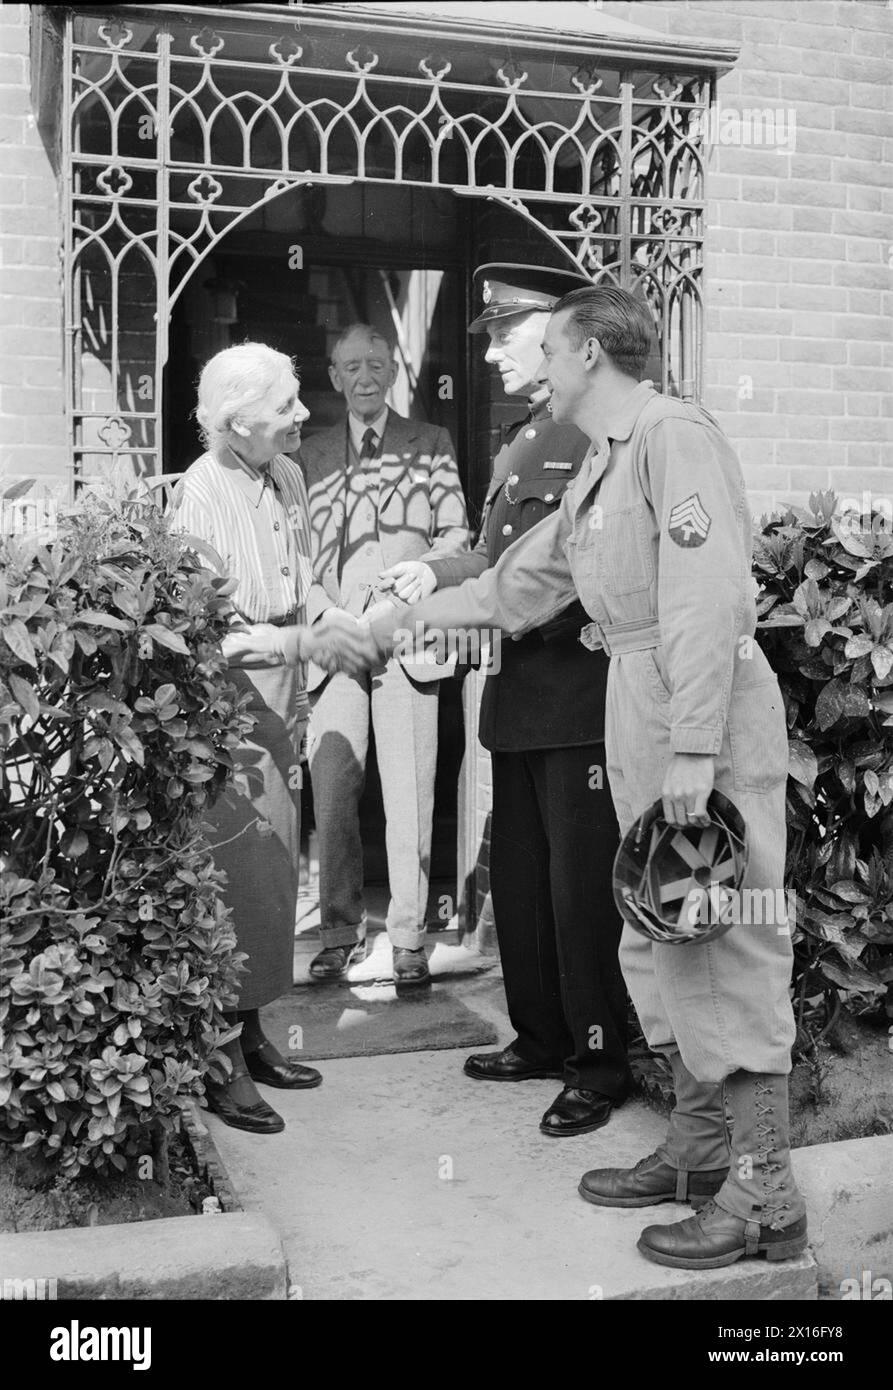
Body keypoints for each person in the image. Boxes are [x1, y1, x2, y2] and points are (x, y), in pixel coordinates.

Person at [313, 287, 809, 1270]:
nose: (537, 363)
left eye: (548, 347)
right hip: (637, 701)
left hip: (692, 706)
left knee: (728, 939)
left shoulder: (672, 438)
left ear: (588, 352)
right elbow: (518, 584)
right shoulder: (603, 462)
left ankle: (766, 1196)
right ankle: (699, 1148)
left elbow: (708, 597)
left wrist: (691, 746)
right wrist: (389, 623)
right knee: (663, 934)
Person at [378, 265, 631, 1137]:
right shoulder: (522, 438)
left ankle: (597, 1065)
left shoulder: (595, 435)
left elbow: (581, 568)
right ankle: (540, 1037)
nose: (488, 354)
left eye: (503, 336)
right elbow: (498, 556)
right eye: (485, 337)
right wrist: (436, 572)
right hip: (517, 697)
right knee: (521, 884)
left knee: (578, 892)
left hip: (577, 698)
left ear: (560, 336)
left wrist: (481, 605)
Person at [168, 343, 371, 1134]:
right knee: (232, 875)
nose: (302, 415)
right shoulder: (200, 493)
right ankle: (219, 1061)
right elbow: (202, 634)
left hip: (282, 699)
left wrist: (336, 619)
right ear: (236, 420)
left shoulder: (285, 473)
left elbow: (303, 580)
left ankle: (251, 1036)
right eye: (285, 406)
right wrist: (297, 642)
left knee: (276, 872)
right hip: (226, 706)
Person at [299, 324, 469, 993]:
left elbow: (457, 535)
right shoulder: (307, 455)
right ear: (333, 376)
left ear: (393, 371)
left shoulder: (430, 443)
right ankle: (339, 933)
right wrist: (324, 612)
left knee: (409, 794)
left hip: (408, 642)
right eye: (351, 366)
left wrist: (415, 581)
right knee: (333, 793)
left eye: (376, 364)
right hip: (336, 644)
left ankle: (407, 938)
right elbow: (294, 557)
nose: (365, 377)